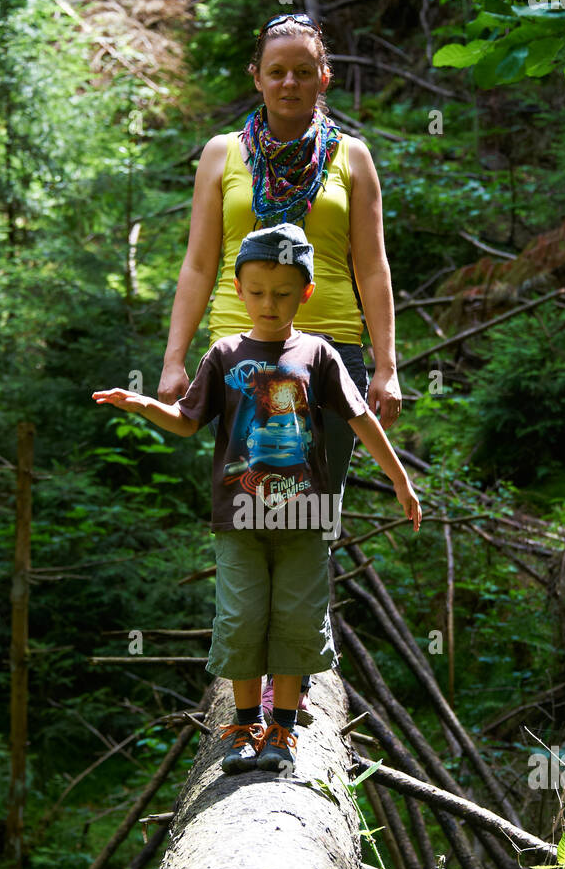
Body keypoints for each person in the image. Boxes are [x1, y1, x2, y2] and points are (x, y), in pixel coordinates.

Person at [93, 224, 421, 775]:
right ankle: (245, 727)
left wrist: (400, 479)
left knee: (297, 621)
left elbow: (361, 418)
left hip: (307, 517)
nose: (270, 304)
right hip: (238, 518)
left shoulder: (318, 353)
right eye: (259, 292)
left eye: (284, 293)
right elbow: (187, 421)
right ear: (238, 290)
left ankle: (282, 731)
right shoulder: (223, 354)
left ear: (306, 293)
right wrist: (144, 405)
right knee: (241, 621)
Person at [157, 12, 403, 722]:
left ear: (324, 77)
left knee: (311, 511)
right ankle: (251, 668)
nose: (289, 81)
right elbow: (199, 262)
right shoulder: (221, 155)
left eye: (303, 70)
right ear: (257, 79)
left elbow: (372, 266)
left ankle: (289, 673)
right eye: (276, 70)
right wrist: (174, 360)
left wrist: (386, 366)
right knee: (250, 504)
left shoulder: (352, 157)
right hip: (241, 358)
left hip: (330, 354)